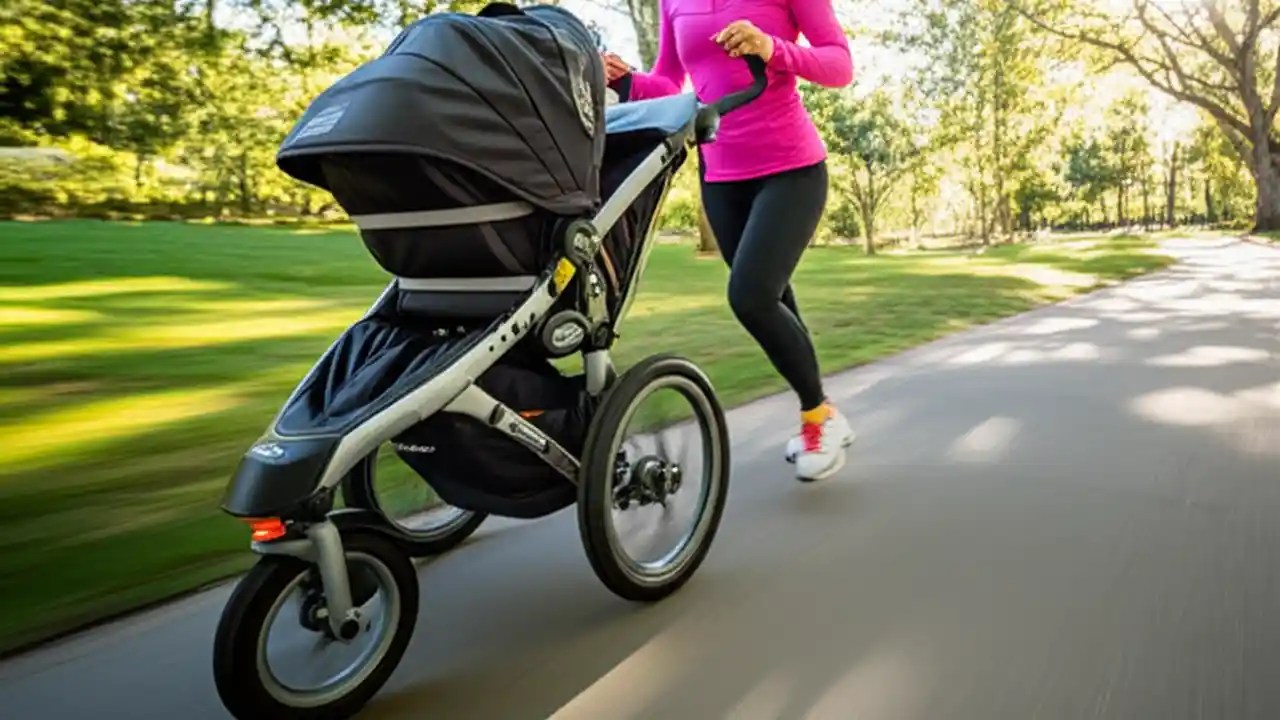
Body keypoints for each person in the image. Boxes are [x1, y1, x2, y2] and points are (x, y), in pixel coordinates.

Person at [602, 0, 856, 481]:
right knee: (772, 297)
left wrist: (772, 48)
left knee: (751, 296)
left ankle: (819, 417)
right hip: (720, 176)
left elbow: (840, 64)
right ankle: (818, 417)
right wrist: (622, 78)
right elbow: (671, 83)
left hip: (792, 171)